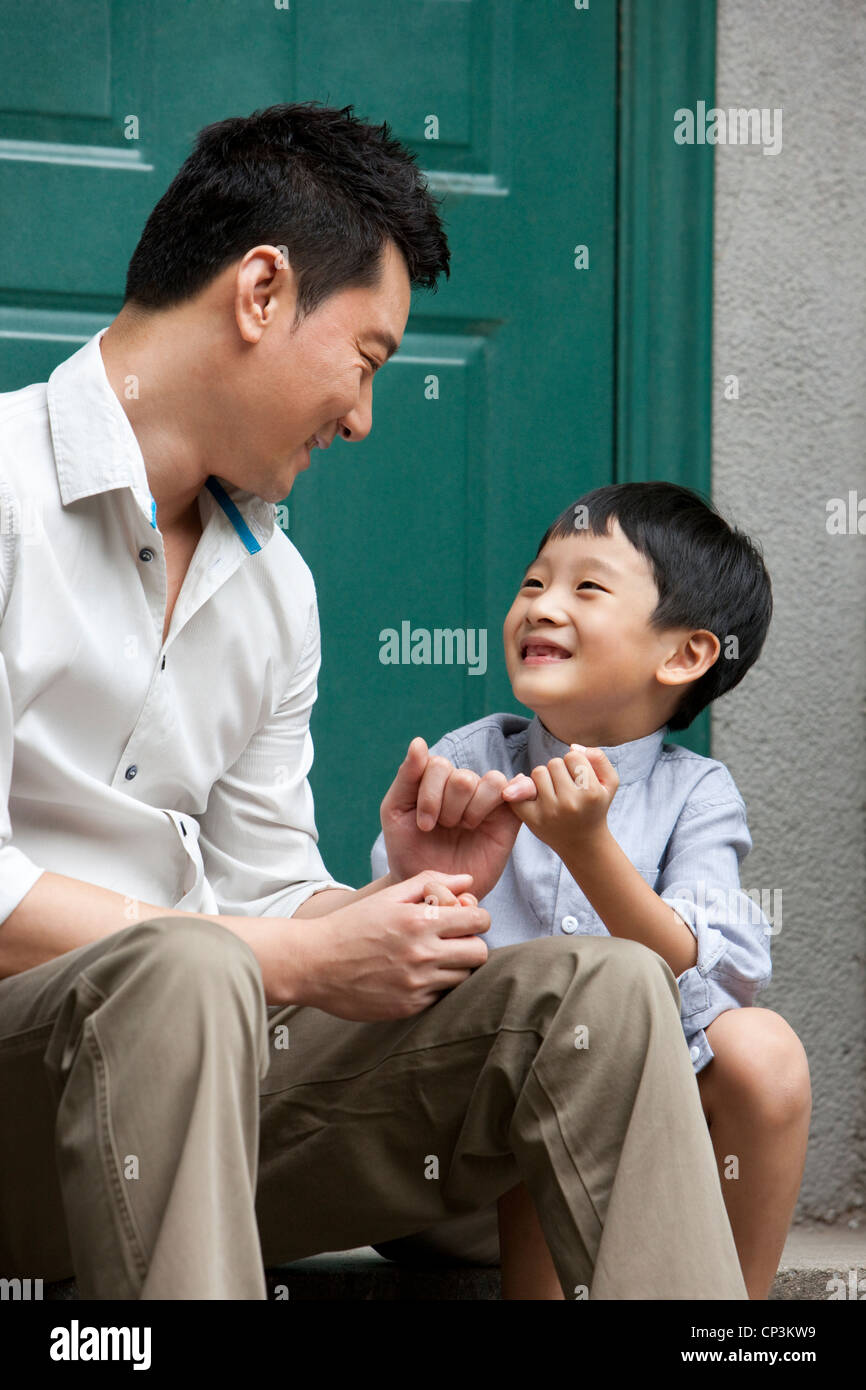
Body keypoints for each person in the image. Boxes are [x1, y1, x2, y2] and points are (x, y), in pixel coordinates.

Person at [0, 102, 748, 1301]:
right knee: (188, 970)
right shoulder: (4, 497)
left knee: (597, 988)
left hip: (214, 1105)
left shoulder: (274, 584)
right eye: (368, 358)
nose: (360, 415)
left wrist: (389, 898)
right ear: (260, 292)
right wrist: (290, 951)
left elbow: (261, 883)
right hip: (28, 1108)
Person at [370, 481, 812, 1299]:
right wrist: (423, 887)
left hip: (621, 1173)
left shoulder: (697, 795)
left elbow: (715, 974)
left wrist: (588, 847)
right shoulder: (470, 766)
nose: (541, 605)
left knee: (764, 1053)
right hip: (458, 1172)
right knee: (561, 1040)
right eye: (534, 582)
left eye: (587, 587)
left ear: (684, 655)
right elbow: (380, 968)